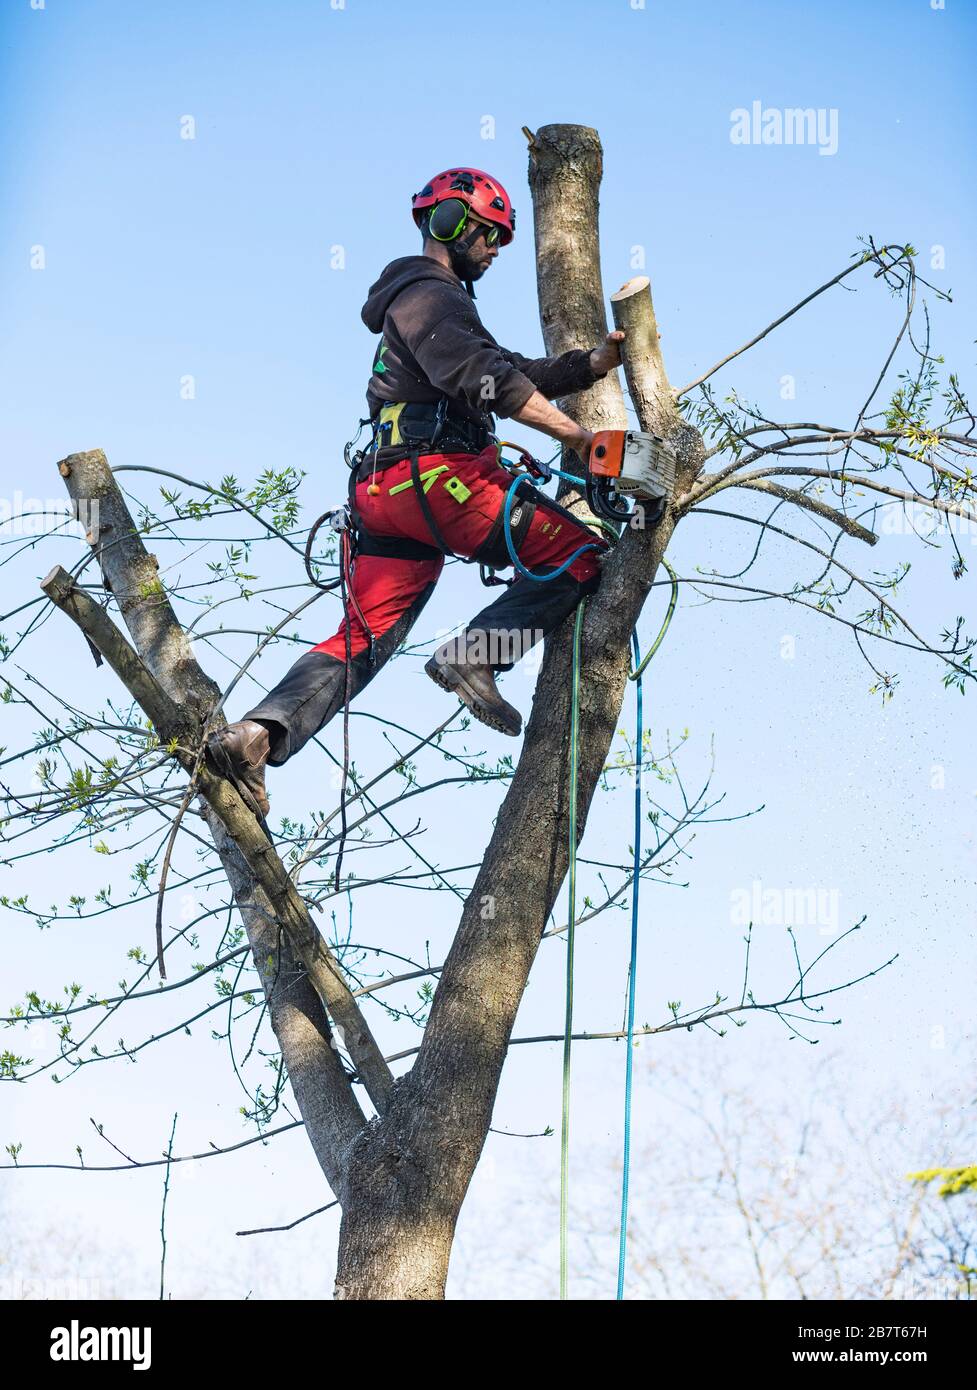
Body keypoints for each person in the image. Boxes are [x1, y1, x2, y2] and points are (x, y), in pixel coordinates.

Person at [208, 166, 624, 817]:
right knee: (580, 555)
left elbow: (501, 366)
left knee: (363, 636)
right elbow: (481, 374)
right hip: (440, 482)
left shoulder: (429, 303)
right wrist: (577, 438)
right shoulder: (428, 292)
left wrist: (585, 366)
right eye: (487, 233)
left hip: (385, 494)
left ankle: (257, 736)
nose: (493, 248)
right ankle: (473, 656)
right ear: (448, 223)